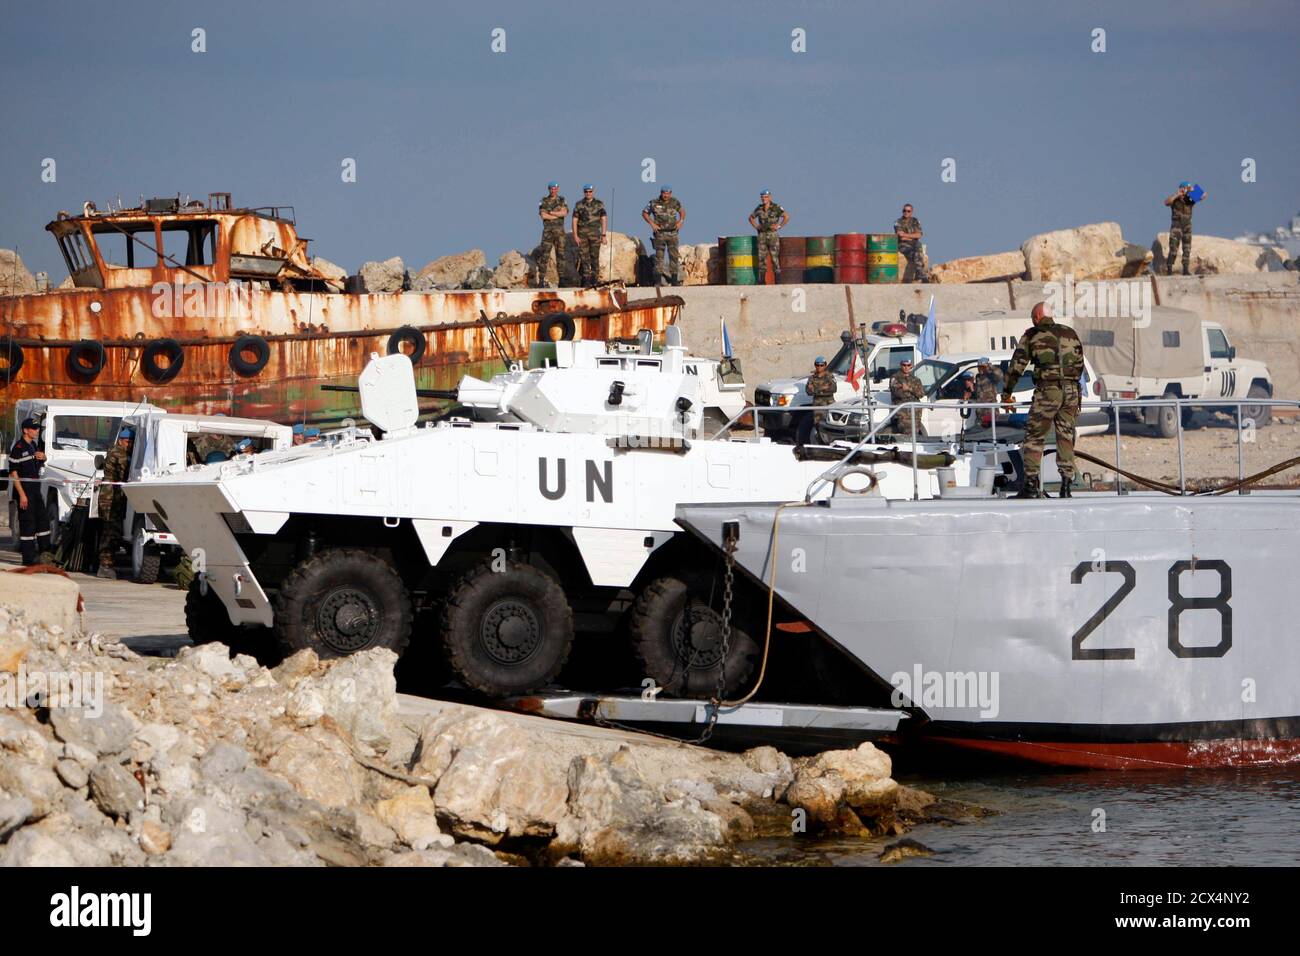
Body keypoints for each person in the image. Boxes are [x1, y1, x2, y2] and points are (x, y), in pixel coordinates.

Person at [1003, 301, 1084, 498]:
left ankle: (1031, 485)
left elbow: (1016, 367)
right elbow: (1080, 364)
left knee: (1034, 436)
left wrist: (1007, 393)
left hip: (1049, 391)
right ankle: (1066, 485)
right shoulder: (1070, 333)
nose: (1033, 321)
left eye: (1033, 318)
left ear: (1037, 317)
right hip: (1072, 392)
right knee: (1065, 436)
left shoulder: (1032, 335)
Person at [7, 417, 51, 566]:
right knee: (28, 526)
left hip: (36, 491)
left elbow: (37, 465)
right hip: (24, 492)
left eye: (37, 428)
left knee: (43, 524)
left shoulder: (33, 445)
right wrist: (22, 495)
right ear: (25, 430)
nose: (36, 431)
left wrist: (43, 457)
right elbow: (13, 474)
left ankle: (46, 556)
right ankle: (28, 560)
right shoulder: (18, 448)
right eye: (33, 428)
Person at [97, 426, 134, 578]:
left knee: (114, 532)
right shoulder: (118, 453)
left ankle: (107, 564)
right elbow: (124, 473)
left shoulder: (120, 452)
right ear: (120, 441)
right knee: (110, 532)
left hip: (115, 498)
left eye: (132, 442)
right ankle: (105, 566)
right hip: (110, 499)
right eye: (127, 441)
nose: (129, 445)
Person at [642, 186, 685, 285]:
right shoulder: (654, 202)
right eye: (664, 193)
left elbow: (682, 212)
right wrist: (652, 224)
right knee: (659, 257)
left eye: (668, 193)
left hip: (672, 233)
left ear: (671, 193)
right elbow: (645, 213)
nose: (666, 195)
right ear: (661, 193)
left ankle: (674, 281)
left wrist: (680, 221)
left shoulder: (675, 202)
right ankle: (657, 281)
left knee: (673, 257)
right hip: (660, 234)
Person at [748, 190, 788, 282]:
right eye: (762, 197)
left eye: (766, 197)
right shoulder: (759, 208)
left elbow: (786, 216)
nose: (764, 199)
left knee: (774, 258)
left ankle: (778, 280)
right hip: (762, 235)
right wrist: (756, 226)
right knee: (761, 258)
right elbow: (751, 218)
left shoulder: (776, 207)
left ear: (770, 197)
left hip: (773, 235)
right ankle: (762, 281)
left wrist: (779, 226)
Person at [572, 184, 607, 286]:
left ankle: (595, 279)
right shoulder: (579, 204)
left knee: (594, 257)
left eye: (590, 191)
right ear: (584, 192)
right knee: (584, 257)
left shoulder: (599, 204)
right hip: (582, 234)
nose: (588, 193)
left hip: (595, 234)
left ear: (593, 192)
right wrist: (575, 235)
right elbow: (575, 220)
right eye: (586, 192)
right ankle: (586, 279)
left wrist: (604, 235)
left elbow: (603, 218)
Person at [535, 182, 568, 287]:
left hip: (560, 233)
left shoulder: (562, 200)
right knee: (544, 255)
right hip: (548, 233)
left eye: (555, 188)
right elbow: (543, 216)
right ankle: (541, 280)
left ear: (558, 189)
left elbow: (565, 213)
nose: (553, 190)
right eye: (551, 189)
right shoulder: (544, 201)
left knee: (561, 255)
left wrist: (552, 213)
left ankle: (562, 280)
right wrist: (558, 215)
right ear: (548, 189)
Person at [797, 356, 837, 444]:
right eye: (817, 365)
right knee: (818, 426)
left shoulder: (829, 376)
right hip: (817, 406)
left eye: (821, 365)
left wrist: (816, 389)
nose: (819, 367)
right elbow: (809, 391)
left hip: (829, 404)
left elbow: (833, 389)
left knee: (832, 425)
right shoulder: (812, 378)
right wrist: (823, 387)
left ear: (825, 365)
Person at [889, 358, 927, 437]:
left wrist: (908, 388)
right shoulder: (895, 378)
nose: (906, 367)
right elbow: (898, 394)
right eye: (904, 365)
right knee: (906, 435)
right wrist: (913, 391)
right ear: (901, 365)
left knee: (916, 434)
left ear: (911, 366)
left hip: (915, 413)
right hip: (903, 413)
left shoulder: (915, 379)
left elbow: (921, 394)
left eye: (908, 365)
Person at [1163, 181, 1195, 276]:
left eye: (1187, 189)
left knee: (1187, 248)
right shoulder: (1175, 199)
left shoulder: (1189, 199)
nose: (1186, 191)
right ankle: (1169, 269)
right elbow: (1166, 202)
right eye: (1185, 188)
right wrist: (1177, 194)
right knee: (1173, 249)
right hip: (1176, 226)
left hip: (1187, 227)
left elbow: (1203, 195)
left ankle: (1185, 269)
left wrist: (1193, 190)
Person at [893, 203, 931, 283]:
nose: (906, 212)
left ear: (911, 212)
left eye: (908, 211)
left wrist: (907, 235)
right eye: (904, 210)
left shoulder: (915, 221)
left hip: (914, 244)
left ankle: (919, 274)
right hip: (903, 244)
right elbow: (901, 237)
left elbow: (919, 235)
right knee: (916, 253)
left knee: (918, 246)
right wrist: (913, 236)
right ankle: (921, 274)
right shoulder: (898, 222)